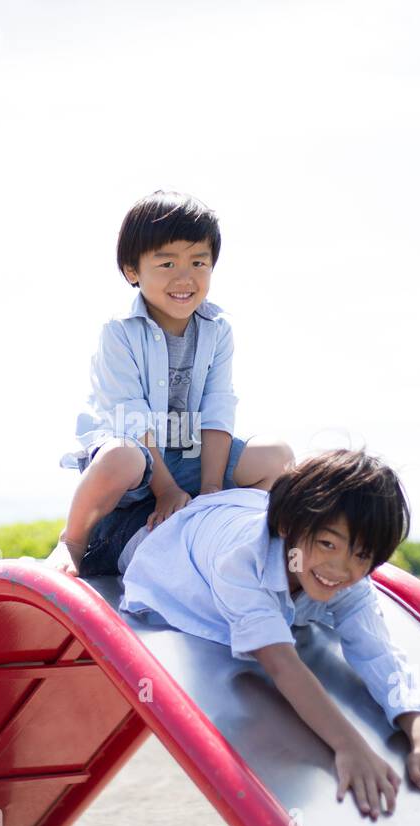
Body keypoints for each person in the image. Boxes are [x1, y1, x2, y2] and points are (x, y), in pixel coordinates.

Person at [118, 447, 420, 820]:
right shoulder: (242, 561)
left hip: (230, 512)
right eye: (328, 544)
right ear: (288, 527)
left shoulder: (347, 579)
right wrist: (349, 745)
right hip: (153, 537)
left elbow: (379, 653)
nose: (339, 568)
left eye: (361, 555)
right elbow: (280, 664)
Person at [46, 189, 294, 577]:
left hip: (189, 452)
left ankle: (228, 530)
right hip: (133, 457)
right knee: (120, 456)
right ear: (133, 271)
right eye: (166, 264)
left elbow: (217, 407)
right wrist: (164, 488)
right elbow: (131, 416)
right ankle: (72, 542)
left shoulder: (217, 330)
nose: (185, 277)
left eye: (199, 262)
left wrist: (211, 490)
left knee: (277, 455)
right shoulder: (119, 332)